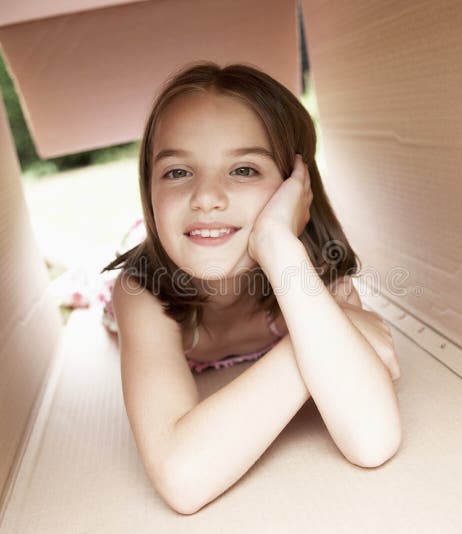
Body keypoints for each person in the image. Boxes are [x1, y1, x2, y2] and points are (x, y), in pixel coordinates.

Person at [100, 61, 402, 515]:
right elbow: (182, 477)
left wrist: (277, 244)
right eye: (178, 172)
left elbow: (372, 439)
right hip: (162, 274)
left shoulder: (314, 268)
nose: (206, 197)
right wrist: (316, 343)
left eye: (243, 170)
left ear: (296, 188)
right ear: (148, 189)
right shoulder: (141, 293)